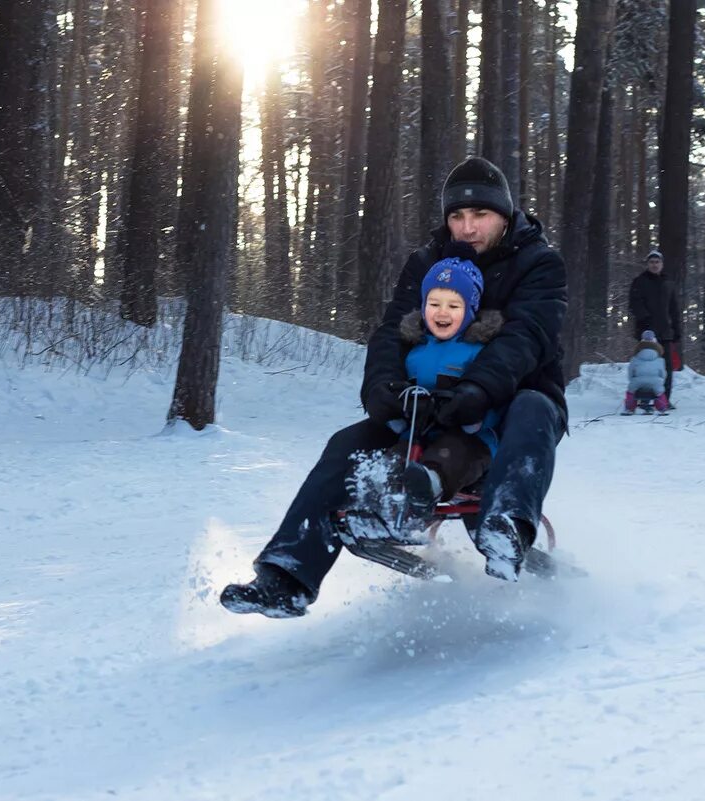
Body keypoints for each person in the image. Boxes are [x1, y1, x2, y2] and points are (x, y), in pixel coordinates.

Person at [220, 156, 568, 618]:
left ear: (505, 215)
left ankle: (508, 526)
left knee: (532, 408)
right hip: (429, 405)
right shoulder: (428, 262)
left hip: (510, 406)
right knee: (348, 443)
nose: (467, 227)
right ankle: (286, 576)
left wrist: (478, 389)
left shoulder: (538, 262)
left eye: (480, 214)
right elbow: (393, 331)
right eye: (457, 216)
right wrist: (382, 387)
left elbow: (527, 336)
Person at [388, 241, 504, 513]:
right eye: (434, 304)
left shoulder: (477, 351)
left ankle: (429, 484)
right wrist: (397, 408)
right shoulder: (415, 351)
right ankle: (378, 492)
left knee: (451, 454)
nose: (442, 312)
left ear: (470, 310)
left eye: (453, 306)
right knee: (395, 457)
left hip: (470, 438)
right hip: (419, 434)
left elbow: (495, 396)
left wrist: (476, 416)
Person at [628, 250, 681, 407]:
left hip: (665, 332)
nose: (654, 265)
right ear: (647, 264)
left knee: (666, 367)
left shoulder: (668, 283)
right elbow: (634, 304)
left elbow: (674, 309)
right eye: (651, 262)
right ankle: (643, 397)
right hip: (646, 332)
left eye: (657, 262)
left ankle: (664, 398)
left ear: (662, 264)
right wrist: (646, 320)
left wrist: (676, 329)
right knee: (645, 366)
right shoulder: (639, 282)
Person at [622, 330, 669, 414]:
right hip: (655, 381)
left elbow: (630, 372)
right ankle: (662, 408)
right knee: (660, 392)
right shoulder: (660, 359)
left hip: (638, 381)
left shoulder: (635, 358)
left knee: (631, 391)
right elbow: (663, 374)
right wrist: (661, 381)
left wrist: (632, 380)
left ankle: (629, 408)